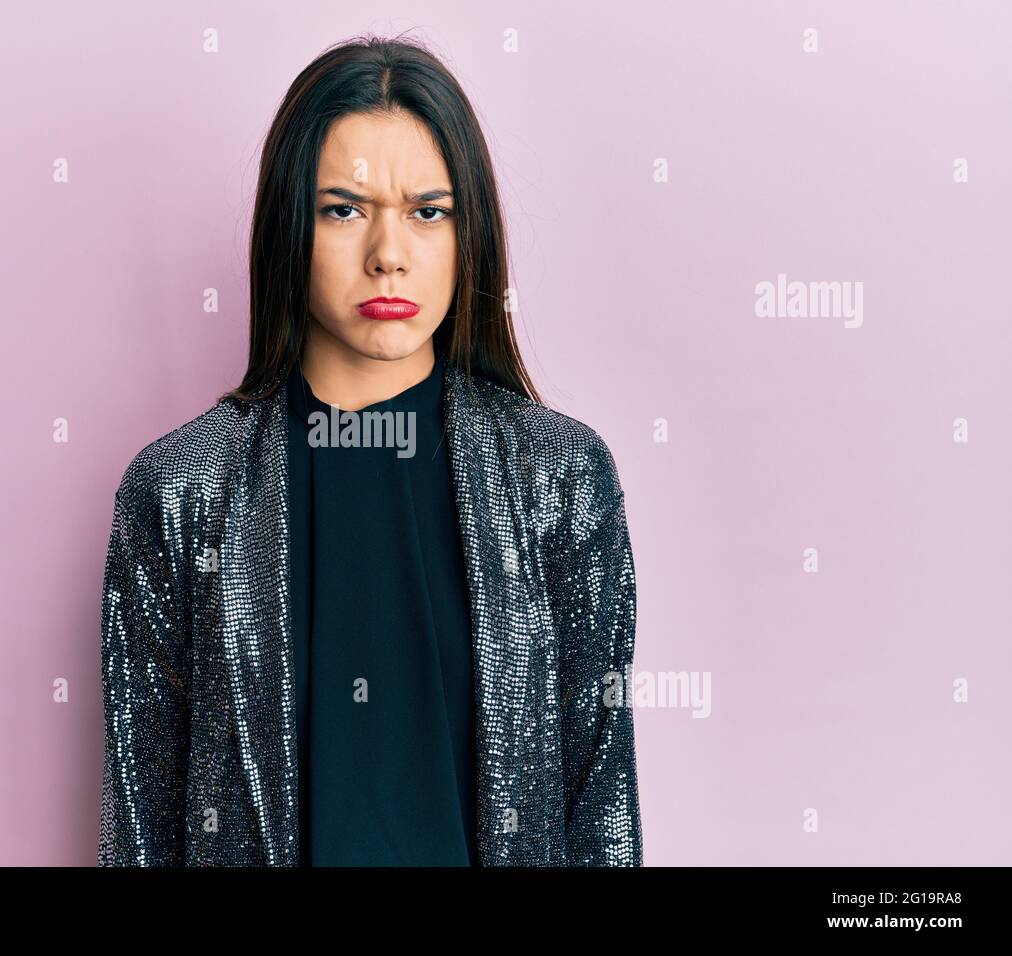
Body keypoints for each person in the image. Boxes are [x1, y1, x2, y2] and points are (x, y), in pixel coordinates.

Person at [98, 34, 642, 867]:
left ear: (470, 237)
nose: (388, 254)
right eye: (343, 209)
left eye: (429, 211)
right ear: (290, 228)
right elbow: (141, 830)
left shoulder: (559, 479)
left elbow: (598, 802)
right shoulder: (178, 491)